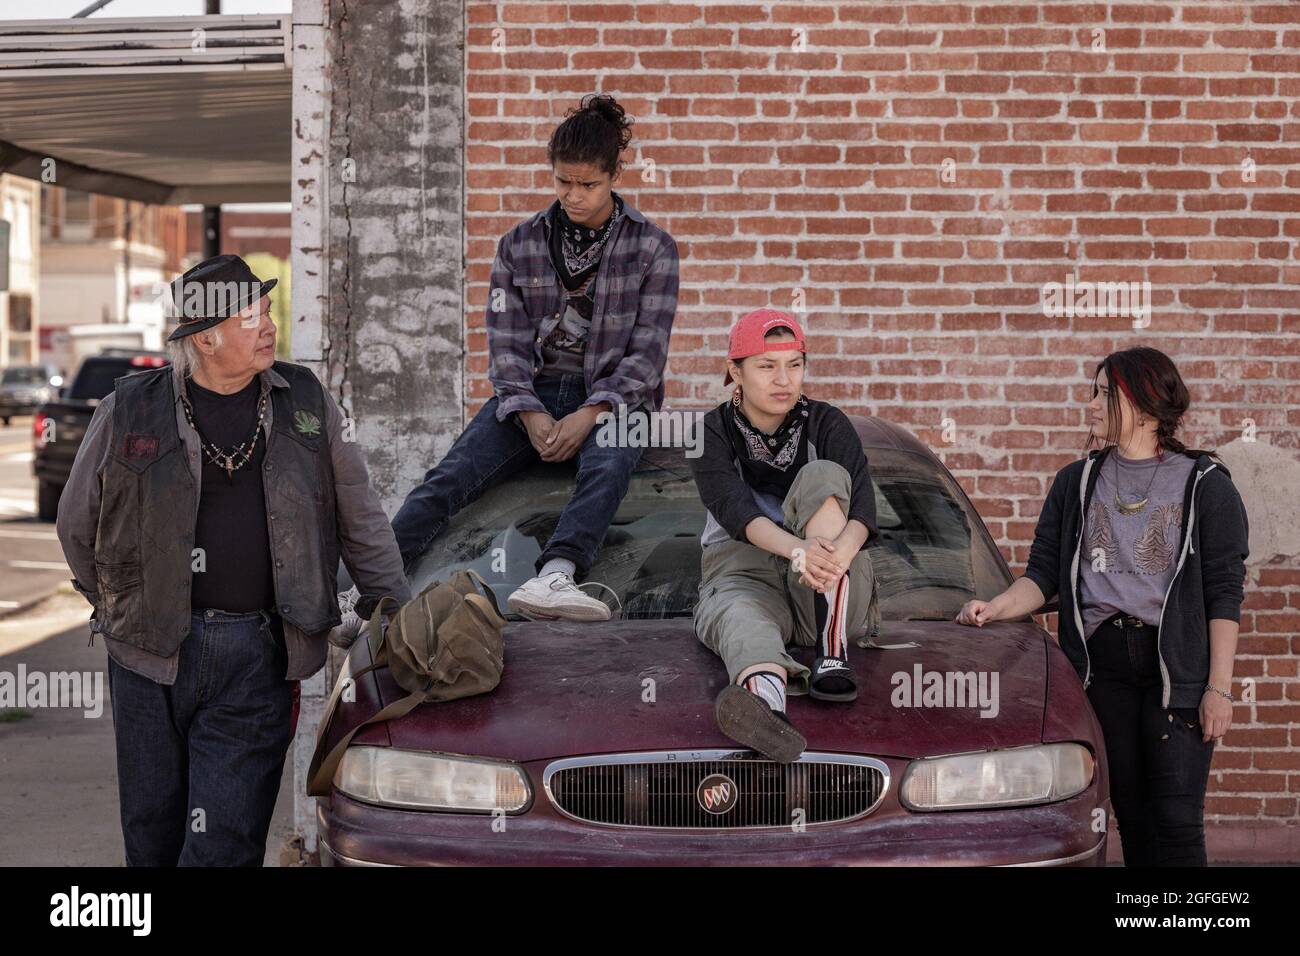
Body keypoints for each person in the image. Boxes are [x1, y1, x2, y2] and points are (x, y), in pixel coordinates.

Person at [56, 253, 411, 866]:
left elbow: (361, 517)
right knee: (151, 838)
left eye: (267, 310)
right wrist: (117, 606)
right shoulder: (130, 408)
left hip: (258, 654)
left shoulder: (305, 401)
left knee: (221, 842)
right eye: (252, 315)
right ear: (207, 336)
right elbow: (76, 523)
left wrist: (395, 614)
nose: (269, 326)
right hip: (147, 658)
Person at [384, 92, 679, 622]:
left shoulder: (653, 248)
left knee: (609, 468)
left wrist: (591, 414)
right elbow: (505, 345)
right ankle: (369, 588)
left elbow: (647, 356)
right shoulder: (517, 244)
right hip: (531, 396)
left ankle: (555, 575)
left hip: (616, 399)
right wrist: (529, 411)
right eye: (563, 181)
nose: (573, 195)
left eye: (587, 184)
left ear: (615, 174)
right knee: (446, 479)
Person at [955, 346, 1249, 866]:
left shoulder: (1205, 484)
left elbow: (1223, 591)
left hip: (1174, 671)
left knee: (1177, 822)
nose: (1090, 404)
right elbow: (1043, 574)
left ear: (1139, 405)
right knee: (1132, 818)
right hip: (1102, 671)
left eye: (1103, 394)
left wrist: (1218, 689)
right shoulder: (1077, 482)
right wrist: (996, 607)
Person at [690, 309, 879, 763]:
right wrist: (799, 552)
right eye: (767, 366)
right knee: (739, 617)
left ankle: (833, 654)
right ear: (734, 371)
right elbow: (738, 514)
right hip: (746, 572)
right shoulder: (710, 432)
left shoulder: (828, 422)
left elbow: (865, 514)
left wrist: (832, 559)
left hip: (833, 583)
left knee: (823, 474)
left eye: (795, 365)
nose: (784, 380)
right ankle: (768, 711)